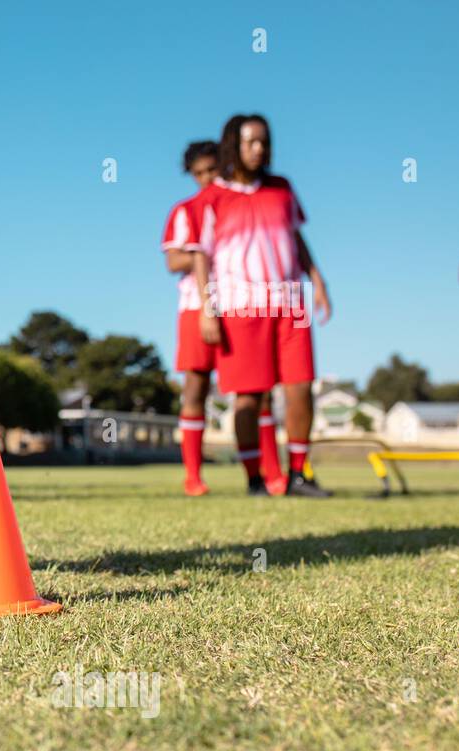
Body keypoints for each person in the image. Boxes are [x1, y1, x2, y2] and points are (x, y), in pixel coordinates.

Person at [189, 114, 333, 498]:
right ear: (233, 146)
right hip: (240, 305)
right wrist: (207, 307)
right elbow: (200, 256)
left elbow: (297, 238)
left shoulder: (282, 188)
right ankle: (254, 478)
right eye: (251, 142)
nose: (260, 149)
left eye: (265, 142)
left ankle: (299, 473)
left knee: (300, 386)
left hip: (290, 303)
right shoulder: (212, 198)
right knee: (249, 396)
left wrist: (318, 282)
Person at [164, 141, 284, 496]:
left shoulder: (244, 204)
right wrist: (208, 251)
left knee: (256, 390)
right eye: (198, 174)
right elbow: (174, 261)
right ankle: (193, 476)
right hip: (196, 307)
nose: (206, 179)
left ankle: (268, 473)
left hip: (243, 304)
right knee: (196, 386)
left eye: (211, 171)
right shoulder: (187, 210)